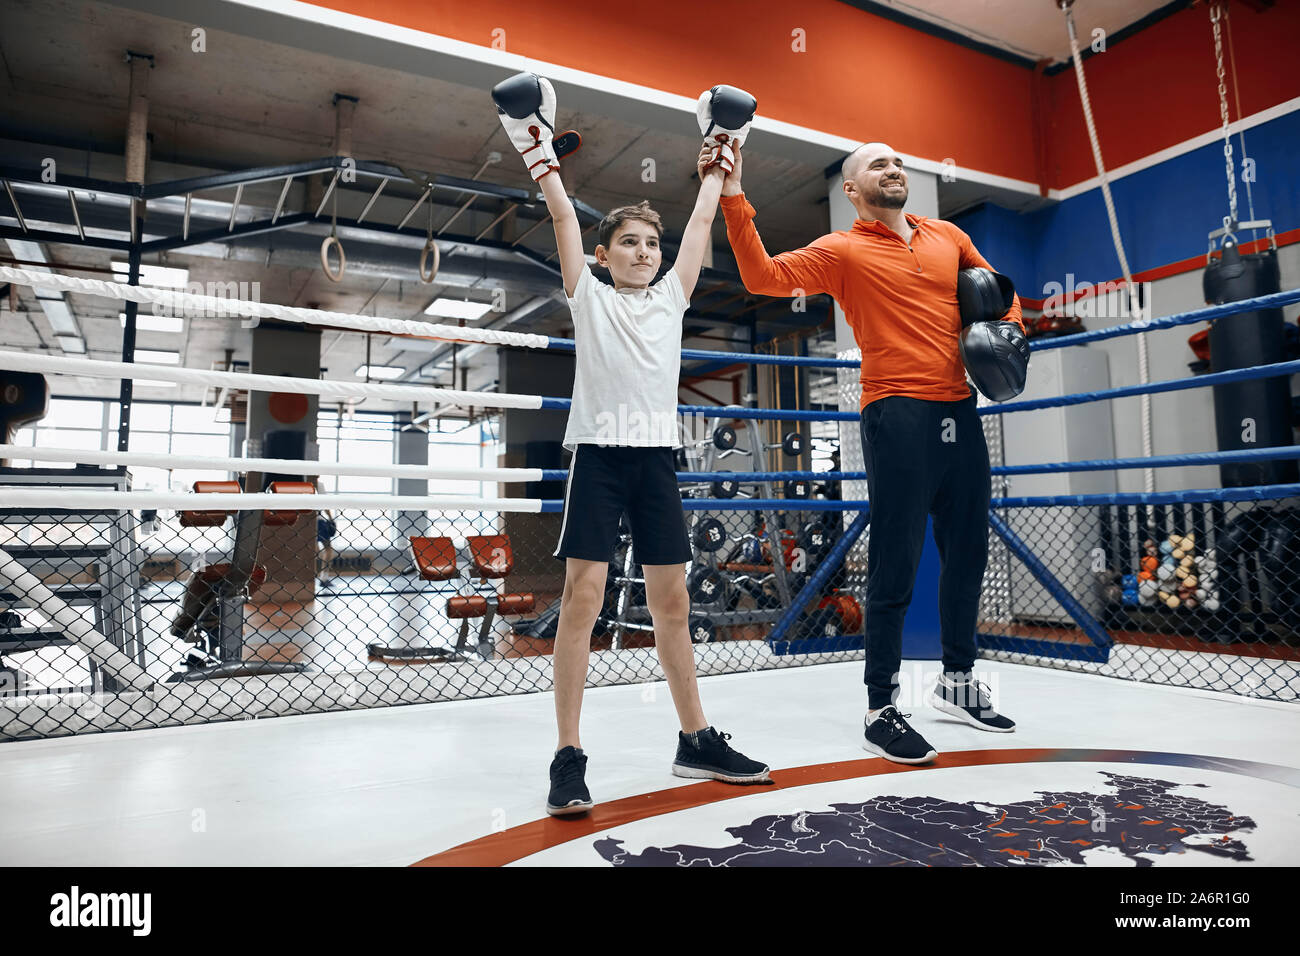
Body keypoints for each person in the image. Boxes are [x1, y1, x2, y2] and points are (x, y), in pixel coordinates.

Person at [491, 74, 770, 815]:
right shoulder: (590, 295)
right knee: (583, 599)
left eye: (652, 243)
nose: (645, 252)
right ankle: (568, 753)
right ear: (606, 253)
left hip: (655, 462)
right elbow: (559, 218)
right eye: (631, 243)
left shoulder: (674, 297)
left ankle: (695, 738)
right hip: (599, 461)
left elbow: (704, 223)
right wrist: (539, 153)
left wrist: (722, 153)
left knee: (671, 602)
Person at [719, 141, 1022, 765]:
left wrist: (1011, 333)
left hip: (960, 410)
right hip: (896, 412)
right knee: (896, 561)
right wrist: (733, 196)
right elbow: (761, 277)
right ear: (852, 191)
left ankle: (958, 684)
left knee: (968, 554)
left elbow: (1001, 293)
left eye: (900, 163)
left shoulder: (948, 236)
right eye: (878, 166)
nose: (894, 170)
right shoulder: (841, 250)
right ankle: (881, 708)